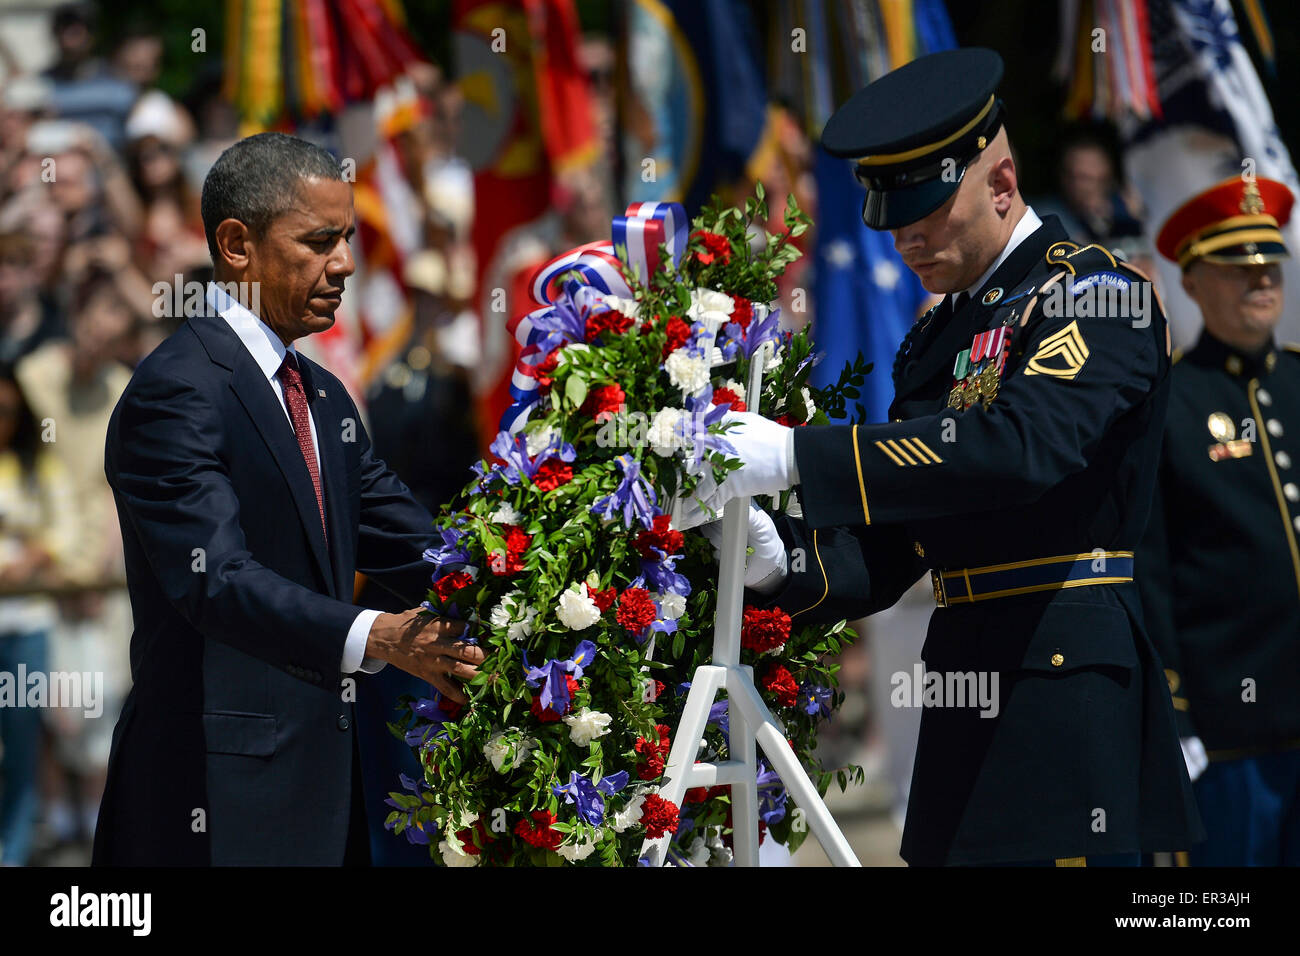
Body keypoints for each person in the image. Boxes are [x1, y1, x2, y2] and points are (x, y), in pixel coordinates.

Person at [694, 48, 1203, 865]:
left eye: (930, 215)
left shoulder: (1092, 293)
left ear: (1002, 184)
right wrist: (778, 563)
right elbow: (906, 542)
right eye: (896, 222)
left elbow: (1020, 449)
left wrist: (799, 457)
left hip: (1059, 688)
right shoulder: (939, 338)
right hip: (961, 686)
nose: (908, 241)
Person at [92, 132, 485, 866]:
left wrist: (550, 578)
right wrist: (382, 637)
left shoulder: (321, 392)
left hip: (324, 801)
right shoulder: (177, 391)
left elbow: (422, 548)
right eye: (318, 241)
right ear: (237, 245)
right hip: (208, 806)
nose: (344, 263)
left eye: (346, 238)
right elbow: (219, 581)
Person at [1138, 176, 1300, 865]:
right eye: (1238, 269)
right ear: (1194, 282)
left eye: (1269, 266)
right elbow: (1150, 571)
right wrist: (1172, 710)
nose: (1260, 280)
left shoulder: (1297, 381)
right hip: (1232, 725)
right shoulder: (1168, 404)